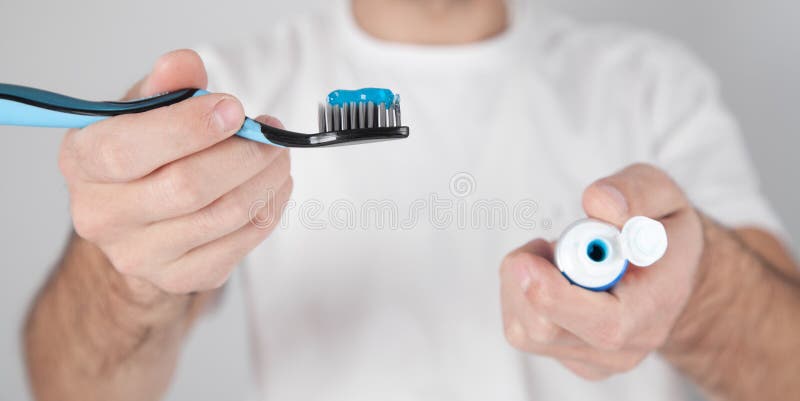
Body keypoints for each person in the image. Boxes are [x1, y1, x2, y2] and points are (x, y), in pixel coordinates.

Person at [24, 0, 799, 400]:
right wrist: (122, 276)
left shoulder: (651, 83)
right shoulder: (221, 94)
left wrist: (701, 291)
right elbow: (67, 388)